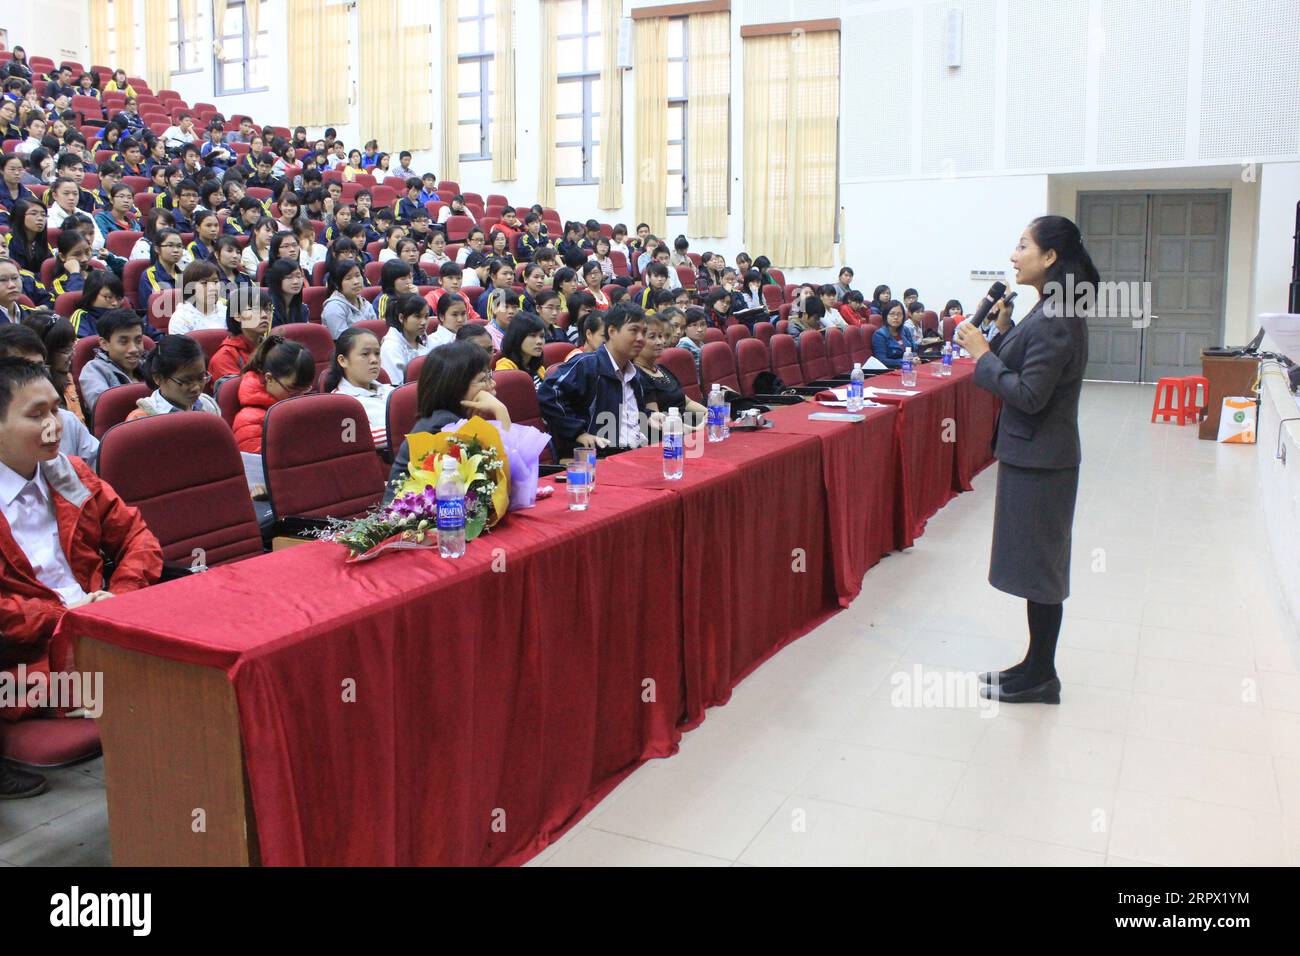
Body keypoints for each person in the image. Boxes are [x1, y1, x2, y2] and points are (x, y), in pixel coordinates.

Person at [0, 354, 162, 798]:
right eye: (37, 415)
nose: (56, 423)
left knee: (203, 676)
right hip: (23, 660)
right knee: (170, 691)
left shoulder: (68, 473)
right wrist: (68, 615)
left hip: (101, 630)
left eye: (55, 408)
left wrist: (122, 598)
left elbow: (137, 537)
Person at [956, 215, 1094, 705]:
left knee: (1042, 571)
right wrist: (1000, 333)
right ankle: (1035, 664)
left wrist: (981, 355)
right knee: (1037, 569)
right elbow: (1024, 363)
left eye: (1022, 246)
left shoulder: (1058, 317)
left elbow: (1030, 395)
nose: (1013, 256)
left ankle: (1043, 675)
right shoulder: (1046, 308)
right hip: (1031, 456)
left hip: (1043, 462)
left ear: (1050, 257)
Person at [384, 341, 511, 500]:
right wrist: (501, 411)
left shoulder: (460, 418)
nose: (493, 384)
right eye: (483, 379)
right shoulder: (443, 425)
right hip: (407, 520)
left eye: (490, 375)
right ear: (455, 387)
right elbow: (503, 482)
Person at [538, 302, 651, 459]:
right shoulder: (587, 365)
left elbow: (628, 414)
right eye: (633, 330)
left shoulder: (634, 373)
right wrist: (578, 433)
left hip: (638, 451)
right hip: (602, 456)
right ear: (611, 331)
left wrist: (650, 416)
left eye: (644, 332)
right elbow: (548, 394)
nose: (641, 338)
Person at [0, 322, 97, 464]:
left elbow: (100, 468)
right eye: (22, 370)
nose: (34, 378)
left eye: (39, 368)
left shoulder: (67, 421)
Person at [232, 334, 316, 452]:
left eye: (305, 390)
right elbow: (258, 468)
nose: (299, 397)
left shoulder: (299, 408)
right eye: (292, 390)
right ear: (269, 379)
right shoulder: (249, 422)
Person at [324, 327, 393, 448]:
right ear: (342, 360)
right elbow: (354, 440)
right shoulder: (339, 403)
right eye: (365, 354)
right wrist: (410, 430)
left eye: (377, 353)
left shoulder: (392, 390)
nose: (374, 360)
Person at [126, 334, 220, 420]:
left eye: (201, 378)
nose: (196, 388)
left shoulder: (208, 406)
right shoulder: (140, 420)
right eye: (186, 381)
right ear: (158, 378)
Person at [635, 311, 707, 421]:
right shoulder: (638, 375)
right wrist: (695, 429)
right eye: (652, 337)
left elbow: (687, 402)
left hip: (687, 422)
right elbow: (657, 422)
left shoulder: (662, 369)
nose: (661, 342)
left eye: (660, 336)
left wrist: (709, 413)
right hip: (671, 431)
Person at [78, 308, 148, 417]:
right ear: (104, 344)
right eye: (124, 342)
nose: (134, 349)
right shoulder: (94, 370)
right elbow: (105, 411)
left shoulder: (149, 364)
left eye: (138, 341)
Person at [210, 287, 271, 381]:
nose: (264, 315)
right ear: (237, 316)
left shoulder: (273, 347)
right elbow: (239, 393)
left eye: (267, 309)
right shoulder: (225, 357)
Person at [379, 293, 433, 385]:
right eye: (418, 316)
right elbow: (396, 386)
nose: (424, 322)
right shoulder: (391, 347)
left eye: (426, 316)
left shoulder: (425, 339)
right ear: (401, 318)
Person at [321, 259, 376, 339]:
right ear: (337, 283)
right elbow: (343, 342)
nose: (356, 282)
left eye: (358, 275)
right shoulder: (333, 307)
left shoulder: (365, 304)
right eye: (348, 278)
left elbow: (376, 332)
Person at [494, 313, 547, 388]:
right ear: (517, 337)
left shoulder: (539, 368)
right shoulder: (505, 369)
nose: (539, 341)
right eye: (532, 335)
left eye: (542, 336)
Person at [871, 299, 917, 368]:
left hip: (909, 368)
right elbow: (882, 360)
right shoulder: (879, 335)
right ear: (886, 316)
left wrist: (915, 357)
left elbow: (913, 350)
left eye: (899, 314)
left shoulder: (905, 330)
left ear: (903, 317)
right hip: (891, 371)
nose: (896, 317)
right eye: (892, 314)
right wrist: (905, 362)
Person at [677, 307, 708, 375]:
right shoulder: (684, 346)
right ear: (685, 328)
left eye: (703, 324)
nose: (700, 329)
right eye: (694, 325)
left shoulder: (701, 344)